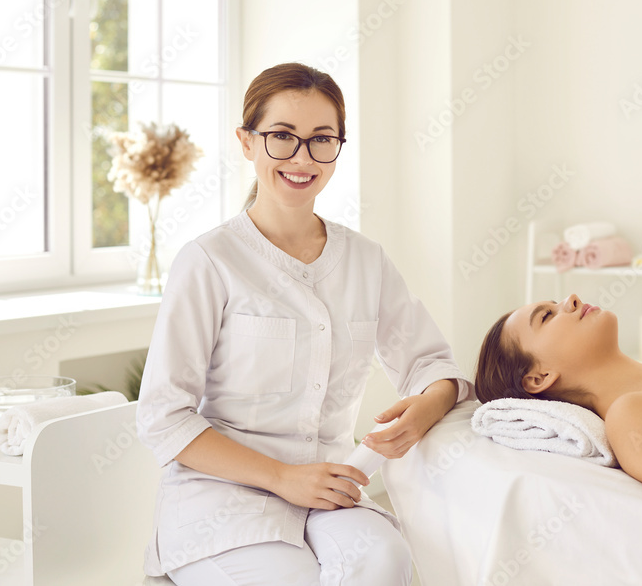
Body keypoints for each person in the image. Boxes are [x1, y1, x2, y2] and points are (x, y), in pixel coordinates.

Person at [137, 62, 473, 585]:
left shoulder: (365, 260)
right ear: (247, 142)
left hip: (330, 493)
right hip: (223, 500)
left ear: (338, 146)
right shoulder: (208, 261)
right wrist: (281, 477)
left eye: (321, 139)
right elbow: (164, 417)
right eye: (282, 136)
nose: (302, 157)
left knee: (386, 559)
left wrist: (426, 408)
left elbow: (432, 364)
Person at [474, 294, 642, 495]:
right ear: (539, 378)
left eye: (555, 304)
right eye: (546, 316)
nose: (572, 298)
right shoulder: (630, 416)